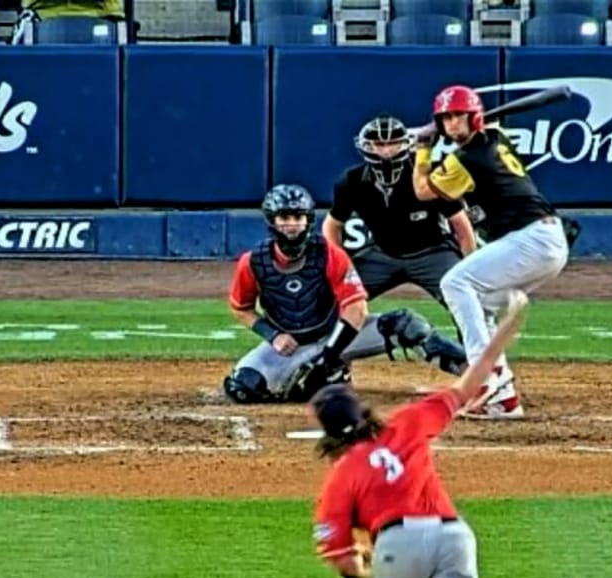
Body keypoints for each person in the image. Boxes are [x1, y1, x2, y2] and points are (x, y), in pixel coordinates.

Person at [308, 288, 530, 578]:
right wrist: (510, 324)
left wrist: (371, 565)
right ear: (364, 411)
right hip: (452, 535)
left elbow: (342, 559)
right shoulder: (409, 423)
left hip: (396, 544)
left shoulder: (343, 473)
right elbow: (472, 379)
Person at [222, 183, 467, 405]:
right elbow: (240, 307)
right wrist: (273, 335)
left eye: (298, 217)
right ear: (272, 222)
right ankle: (330, 378)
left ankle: (476, 375)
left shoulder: (330, 254)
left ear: (308, 220)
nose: (292, 225)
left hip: (336, 336)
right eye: (284, 217)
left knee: (408, 325)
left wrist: (329, 355)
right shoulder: (253, 262)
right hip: (291, 343)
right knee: (243, 387)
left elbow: (356, 308)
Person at [411, 85, 570, 421]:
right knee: (478, 304)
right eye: (446, 119)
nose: (453, 124)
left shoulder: (466, 158)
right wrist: (440, 139)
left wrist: (423, 149)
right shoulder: (495, 137)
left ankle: (485, 382)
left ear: (475, 117)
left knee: (455, 282)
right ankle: (504, 398)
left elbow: (423, 191)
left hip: (531, 238)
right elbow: (466, 154)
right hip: (541, 239)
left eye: (459, 116)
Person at [322, 115, 478, 310]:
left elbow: (460, 222)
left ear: (405, 144)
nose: (387, 150)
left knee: (466, 299)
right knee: (330, 300)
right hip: (382, 253)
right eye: (379, 144)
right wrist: (342, 265)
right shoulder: (351, 181)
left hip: (432, 252)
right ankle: (332, 341)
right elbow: (332, 225)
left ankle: (479, 341)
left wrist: (469, 267)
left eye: (394, 143)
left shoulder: (425, 174)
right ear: (366, 146)